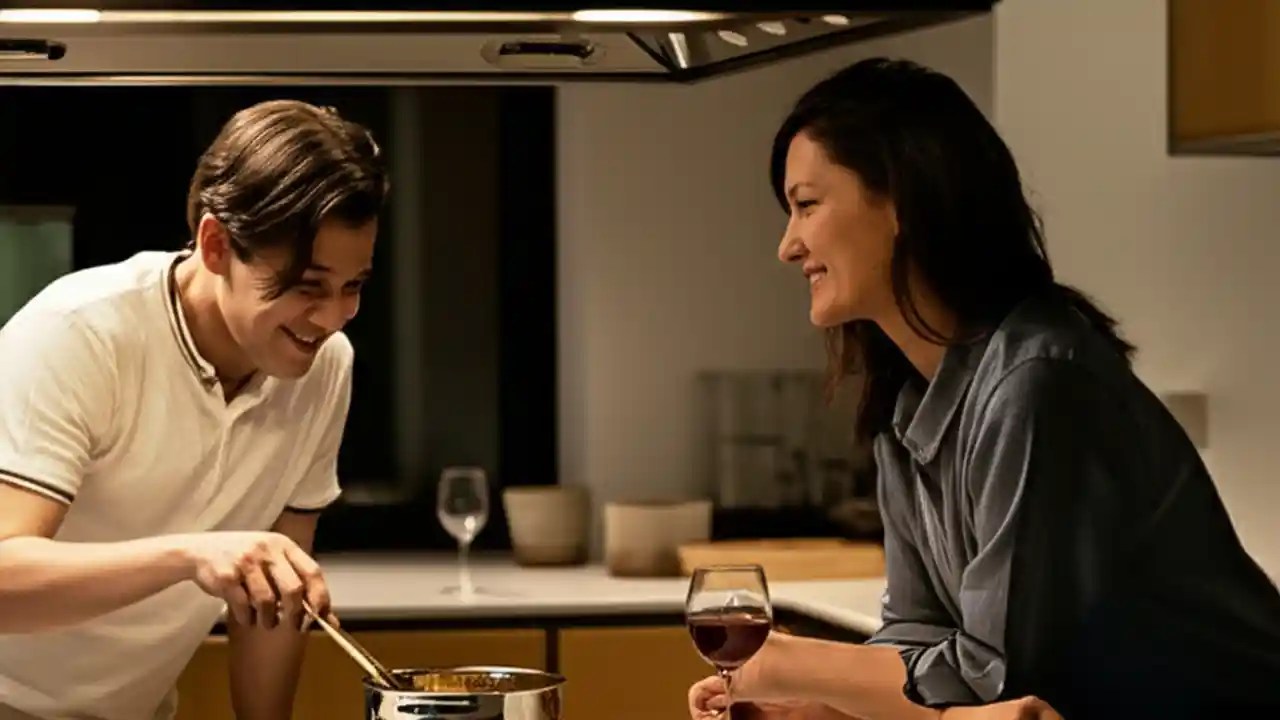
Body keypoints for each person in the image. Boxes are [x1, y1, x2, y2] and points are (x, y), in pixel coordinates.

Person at [689, 57, 1280, 720]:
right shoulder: (907, 404)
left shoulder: (1037, 383)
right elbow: (920, 632)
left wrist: (799, 664)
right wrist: (818, 707)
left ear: (903, 203)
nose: (788, 245)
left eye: (806, 205)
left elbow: (996, 675)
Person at [0, 99, 388, 720]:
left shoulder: (321, 366)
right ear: (215, 244)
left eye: (354, 286)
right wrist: (192, 554)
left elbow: (270, 607)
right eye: (307, 286)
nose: (333, 315)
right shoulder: (82, 332)